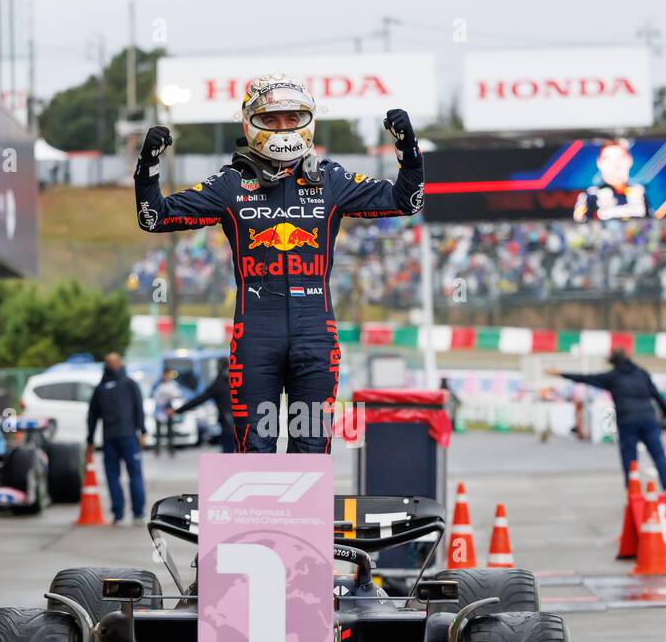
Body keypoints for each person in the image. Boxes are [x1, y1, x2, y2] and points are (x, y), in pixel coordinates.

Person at [134, 74, 424, 453]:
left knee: (311, 447)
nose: (282, 127)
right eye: (271, 120)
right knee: (256, 449)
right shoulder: (230, 184)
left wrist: (409, 151)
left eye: (291, 118)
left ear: (308, 119)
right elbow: (154, 217)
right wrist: (148, 167)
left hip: (315, 337)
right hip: (256, 338)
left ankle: (308, 514)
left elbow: (408, 202)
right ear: (249, 124)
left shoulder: (331, 180)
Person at [548, 348, 666, 488]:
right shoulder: (642, 374)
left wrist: (561, 374)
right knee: (659, 455)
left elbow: (586, 378)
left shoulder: (613, 376)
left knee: (629, 459)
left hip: (627, 422)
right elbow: (657, 396)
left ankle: (632, 491)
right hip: (648, 419)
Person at [85, 352, 147, 525]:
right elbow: (139, 408)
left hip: (110, 438)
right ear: (120, 364)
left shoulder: (101, 388)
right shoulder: (129, 384)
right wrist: (142, 431)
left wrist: (90, 440)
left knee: (113, 476)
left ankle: (119, 514)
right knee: (134, 474)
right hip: (126, 436)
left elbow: (92, 417)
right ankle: (137, 513)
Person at [169, 369, 237, 453]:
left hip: (227, 423)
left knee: (228, 452)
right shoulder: (236, 382)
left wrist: (177, 411)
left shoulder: (218, 384)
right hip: (240, 422)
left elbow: (198, 400)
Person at [152, 368, 182, 458]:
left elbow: (178, 394)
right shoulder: (158, 384)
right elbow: (154, 394)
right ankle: (157, 449)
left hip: (168, 407)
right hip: (159, 408)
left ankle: (171, 448)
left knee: (170, 430)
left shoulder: (173, 384)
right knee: (158, 430)